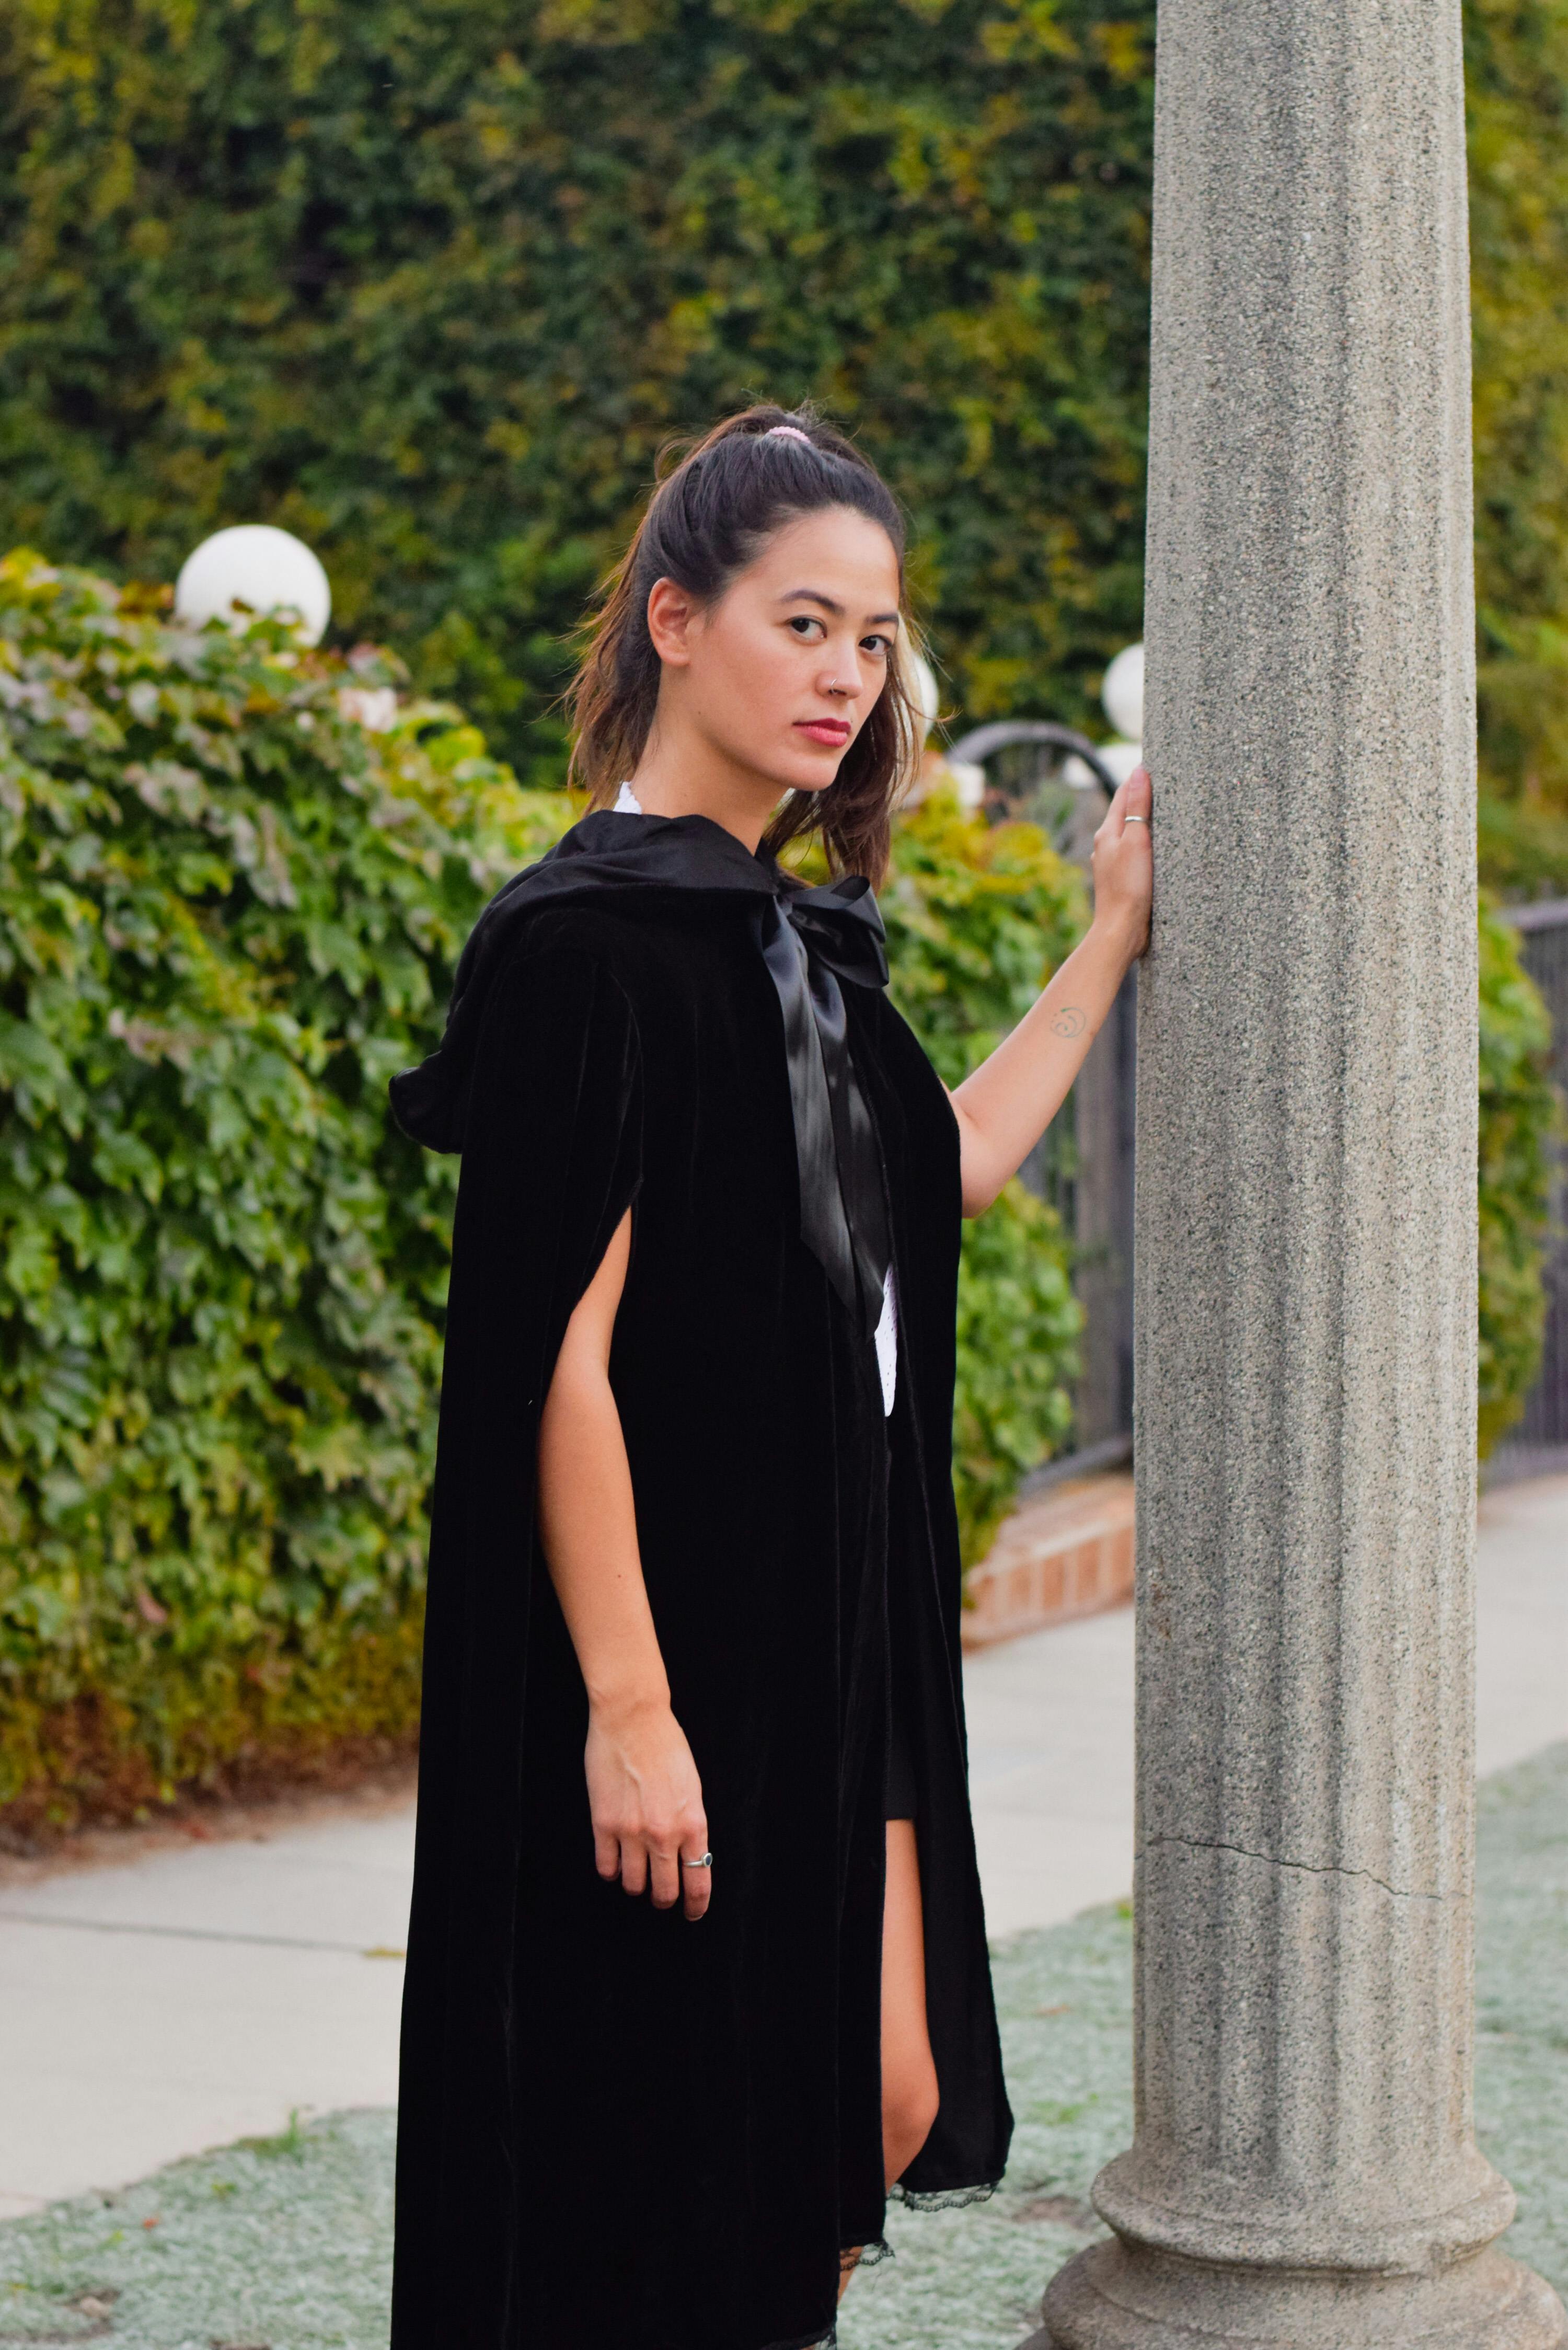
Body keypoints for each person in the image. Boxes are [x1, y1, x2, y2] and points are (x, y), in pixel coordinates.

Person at [387, 405, 1152, 2350]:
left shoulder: (802, 946)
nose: (847, 677)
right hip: (684, 1630)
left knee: (871, 2102)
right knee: (668, 2161)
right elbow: (553, 1346)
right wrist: (629, 1707)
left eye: (876, 639)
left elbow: (946, 1166)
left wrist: (1110, 939)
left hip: (847, 1627)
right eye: (805, 624)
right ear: (674, 621)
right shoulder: (588, 946)